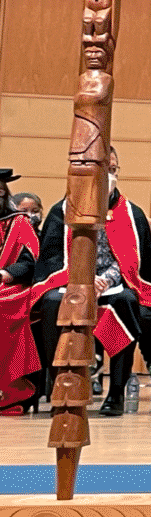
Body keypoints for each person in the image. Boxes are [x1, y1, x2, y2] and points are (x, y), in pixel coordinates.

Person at [30, 156, 151, 417]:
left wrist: (107, 280)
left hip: (113, 285)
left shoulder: (131, 213)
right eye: (103, 168)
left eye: (113, 169)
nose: (108, 174)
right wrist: (83, 280)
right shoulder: (62, 210)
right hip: (70, 281)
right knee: (51, 303)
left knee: (126, 302)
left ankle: (116, 393)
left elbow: (133, 259)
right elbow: (53, 256)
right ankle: (60, 387)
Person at [0, 169, 41, 411]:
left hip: (11, 284)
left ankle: (10, 389)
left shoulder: (19, 222)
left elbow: (30, 259)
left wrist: (6, 273)